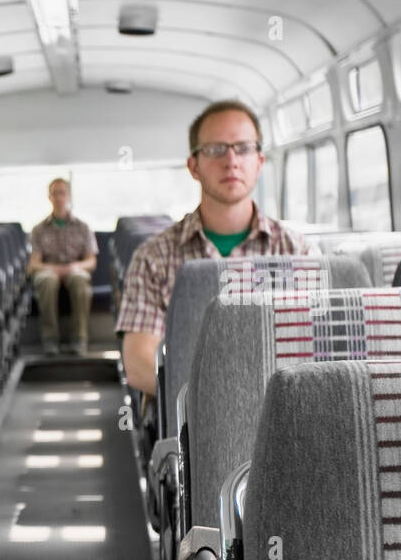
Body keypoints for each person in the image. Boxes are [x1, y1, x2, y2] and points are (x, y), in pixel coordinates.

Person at [117, 99, 315, 395]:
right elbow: (138, 363)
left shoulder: (296, 251)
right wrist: (211, 406)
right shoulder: (153, 257)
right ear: (193, 166)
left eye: (244, 148)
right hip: (187, 422)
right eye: (215, 149)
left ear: (259, 162)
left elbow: (314, 347)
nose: (231, 160)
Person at [27, 178, 98, 356]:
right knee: (46, 281)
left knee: (80, 280)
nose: (59, 197)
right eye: (55, 193)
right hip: (48, 270)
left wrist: (74, 267)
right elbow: (34, 263)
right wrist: (52, 269)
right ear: (49, 197)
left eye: (62, 193)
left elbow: (91, 261)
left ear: (68, 196)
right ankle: (50, 339)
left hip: (75, 269)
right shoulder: (38, 229)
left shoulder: (83, 227)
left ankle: (80, 338)